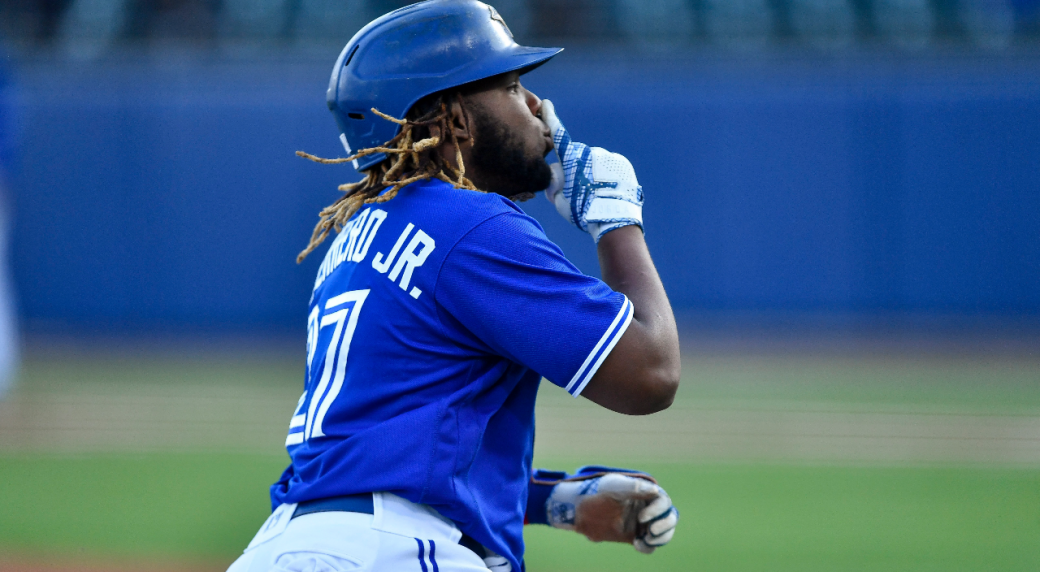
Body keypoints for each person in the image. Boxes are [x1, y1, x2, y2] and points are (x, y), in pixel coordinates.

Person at [227, 2, 680, 571]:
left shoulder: (359, 233)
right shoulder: (471, 225)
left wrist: (556, 502)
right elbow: (650, 375)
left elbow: (377, 452)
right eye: (513, 87)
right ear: (457, 121)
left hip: (291, 546)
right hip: (394, 552)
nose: (539, 107)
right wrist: (616, 219)